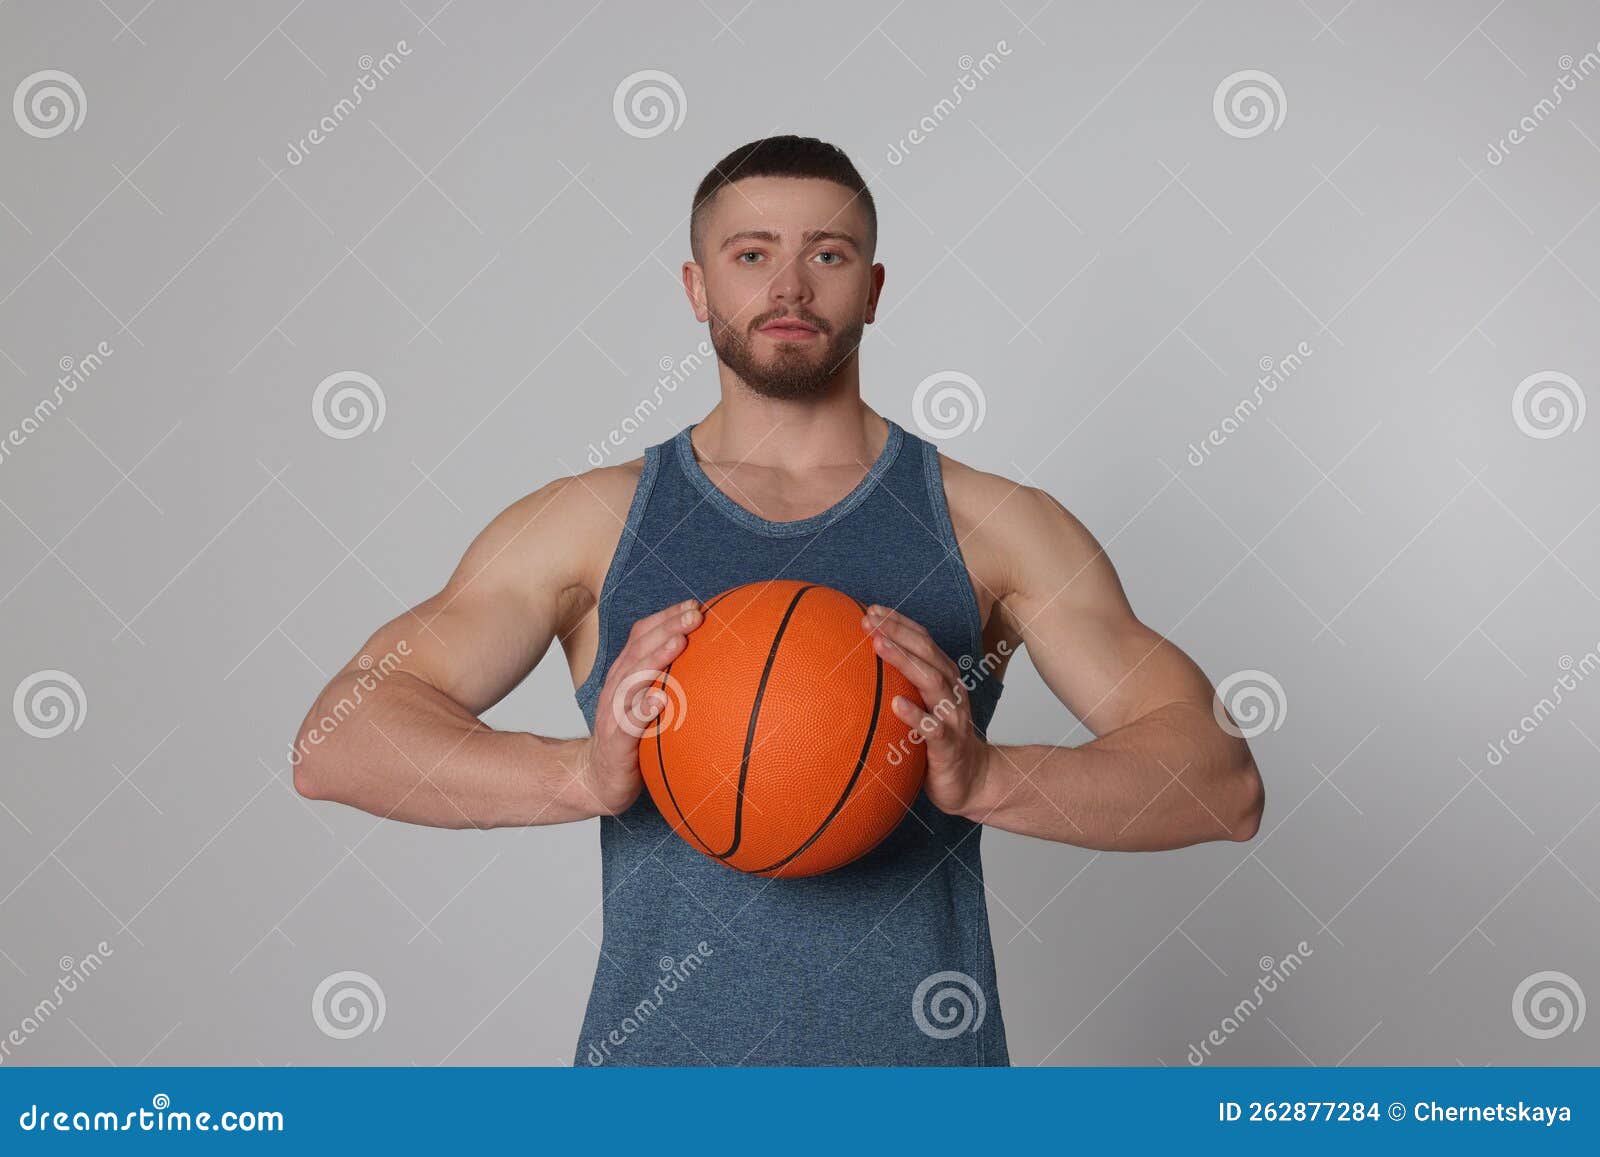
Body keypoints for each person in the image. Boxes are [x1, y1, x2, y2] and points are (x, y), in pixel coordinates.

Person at [291, 134, 1265, 1066]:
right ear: (695, 285)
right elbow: (342, 739)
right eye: (750, 252)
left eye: (827, 253)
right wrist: (580, 778)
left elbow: (1219, 781)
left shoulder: (994, 524)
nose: (789, 286)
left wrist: (987, 780)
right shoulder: (591, 522)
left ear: (873, 288)